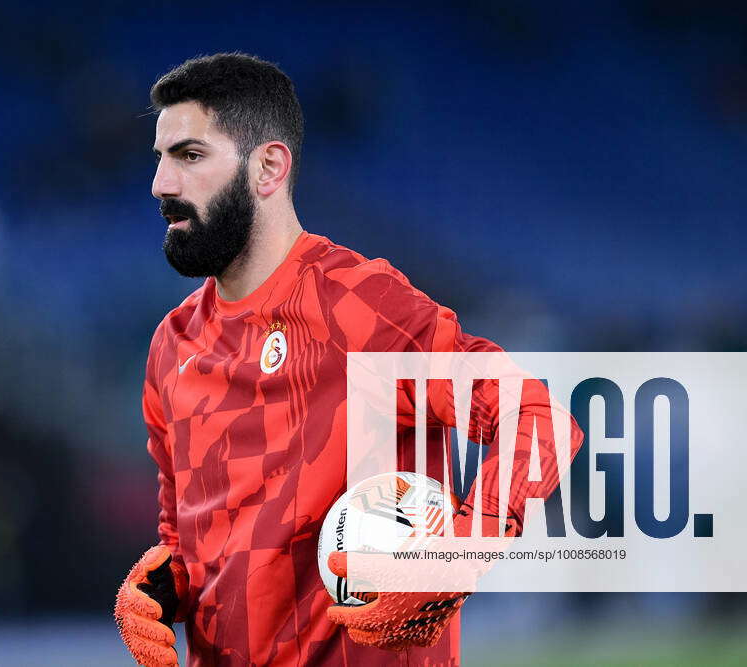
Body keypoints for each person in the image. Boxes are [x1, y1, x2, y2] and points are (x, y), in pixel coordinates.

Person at [114, 53, 580, 666]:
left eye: (190, 156)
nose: (162, 185)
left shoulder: (358, 306)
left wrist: (455, 554)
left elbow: (538, 419)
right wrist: (153, 591)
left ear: (269, 168)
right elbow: (192, 545)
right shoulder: (172, 346)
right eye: (160, 158)